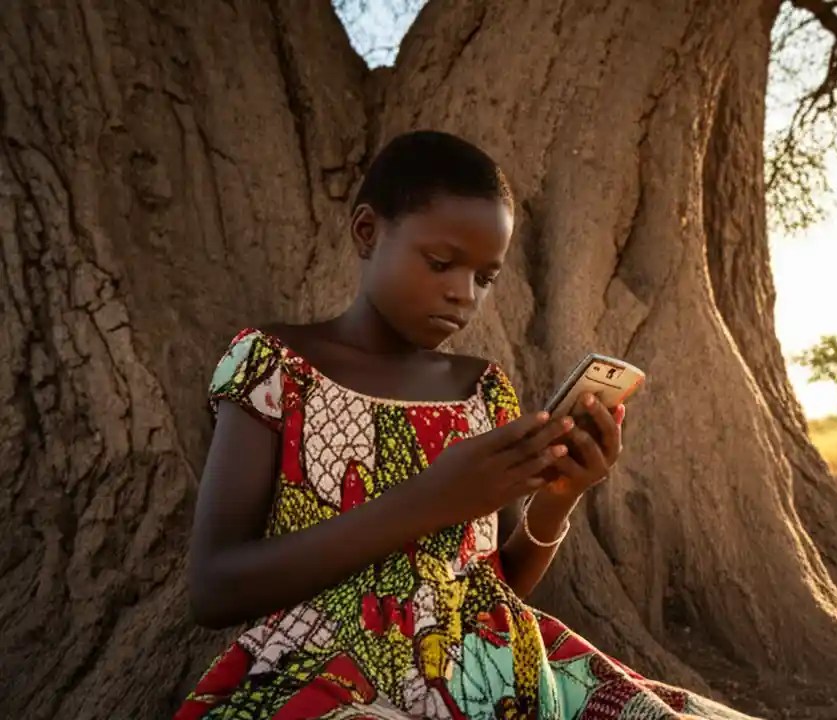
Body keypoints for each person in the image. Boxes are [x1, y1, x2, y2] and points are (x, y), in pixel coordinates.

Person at [176, 131, 755, 720]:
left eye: (485, 278)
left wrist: (559, 500)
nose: (462, 294)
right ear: (368, 233)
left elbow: (490, 588)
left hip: (498, 674)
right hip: (329, 673)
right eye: (441, 263)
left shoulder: (480, 390)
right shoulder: (276, 366)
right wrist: (430, 500)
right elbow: (215, 587)